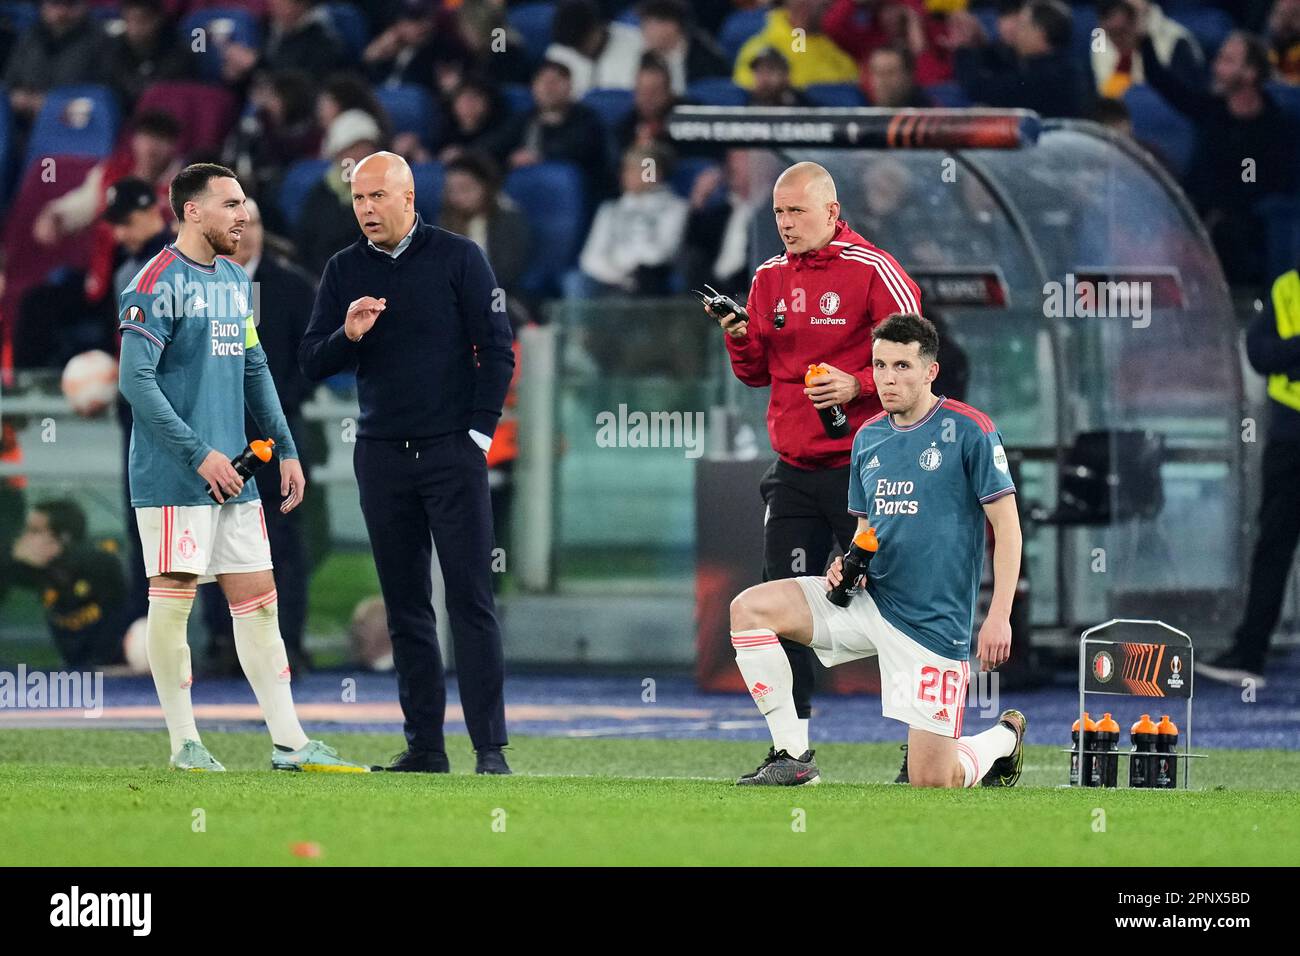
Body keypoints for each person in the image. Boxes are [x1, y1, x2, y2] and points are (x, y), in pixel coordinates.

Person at [116, 162, 365, 772]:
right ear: (191, 211)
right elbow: (134, 381)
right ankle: (184, 744)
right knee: (173, 600)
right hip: (178, 476)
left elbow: (255, 370)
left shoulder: (232, 279)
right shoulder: (154, 282)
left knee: (260, 601)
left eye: (244, 203)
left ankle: (289, 741)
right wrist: (198, 454)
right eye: (229, 204)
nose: (243, 215)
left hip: (237, 477)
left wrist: (284, 447)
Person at [726, 313, 1026, 787]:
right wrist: (846, 568)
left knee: (933, 781)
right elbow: (867, 531)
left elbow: (1007, 530)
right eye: (880, 365)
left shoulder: (970, 430)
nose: (888, 378)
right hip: (870, 602)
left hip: (931, 623)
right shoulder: (867, 437)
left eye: (903, 366)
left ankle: (1003, 739)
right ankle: (794, 756)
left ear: (931, 371)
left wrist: (998, 615)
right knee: (750, 609)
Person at [298, 151, 515, 775]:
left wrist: (477, 435)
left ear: (408, 198)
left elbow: (496, 350)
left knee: (471, 600)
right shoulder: (343, 270)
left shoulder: (459, 257)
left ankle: (489, 748)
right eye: (358, 199)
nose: (366, 209)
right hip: (382, 455)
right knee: (405, 605)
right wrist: (350, 335)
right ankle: (426, 746)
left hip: (452, 452)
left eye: (376, 197)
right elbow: (313, 360)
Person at [703, 161, 923, 773]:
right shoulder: (769, 278)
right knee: (778, 607)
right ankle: (792, 751)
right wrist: (739, 335)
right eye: (778, 212)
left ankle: (920, 745)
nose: (785, 223)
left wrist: (859, 387)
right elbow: (754, 373)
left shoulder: (875, 271)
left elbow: (922, 358)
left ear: (832, 211)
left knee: (897, 604)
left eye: (796, 211)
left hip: (871, 467)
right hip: (795, 469)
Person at [199, 198, 320, 676]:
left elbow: (309, 363)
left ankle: (287, 643)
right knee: (213, 543)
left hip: (275, 439)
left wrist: (266, 406)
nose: (245, 232)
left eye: (254, 222)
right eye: (235, 222)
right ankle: (222, 646)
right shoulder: (190, 289)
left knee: (282, 543)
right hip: (213, 444)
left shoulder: (292, 288)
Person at [1197, 267, 1300, 689]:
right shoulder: (1288, 287)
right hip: (1290, 439)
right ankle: (1249, 653)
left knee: (1272, 549)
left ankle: (1250, 652)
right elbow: (1260, 353)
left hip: (1288, 436)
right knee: (1272, 547)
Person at [1138, 27, 1297, 287]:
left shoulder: (1273, 125)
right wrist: (1144, 36)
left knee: (1229, 234)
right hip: (1195, 214)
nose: (1215, 67)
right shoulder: (1211, 110)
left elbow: (1258, 183)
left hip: (1241, 227)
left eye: (1227, 61)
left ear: (1250, 73)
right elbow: (1161, 80)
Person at [0, 499, 127, 669]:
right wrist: (10, 555)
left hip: (118, 664)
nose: (24, 538)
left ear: (62, 538)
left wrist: (59, 557)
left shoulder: (99, 563)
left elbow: (97, 561)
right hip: (75, 668)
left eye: (35, 531)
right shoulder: (37, 570)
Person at [570, 144, 689, 297]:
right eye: (626, 169)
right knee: (577, 281)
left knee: (645, 280)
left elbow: (661, 254)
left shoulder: (676, 208)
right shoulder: (610, 210)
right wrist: (618, 276)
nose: (626, 176)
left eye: (634, 169)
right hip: (610, 277)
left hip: (649, 279)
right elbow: (590, 258)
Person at [949, 0, 1088, 118]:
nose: (1017, 33)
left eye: (1022, 26)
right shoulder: (1059, 63)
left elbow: (981, 90)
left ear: (1040, 34)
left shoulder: (1047, 76)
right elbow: (1005, 62)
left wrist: (963, 50)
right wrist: (979, 45)